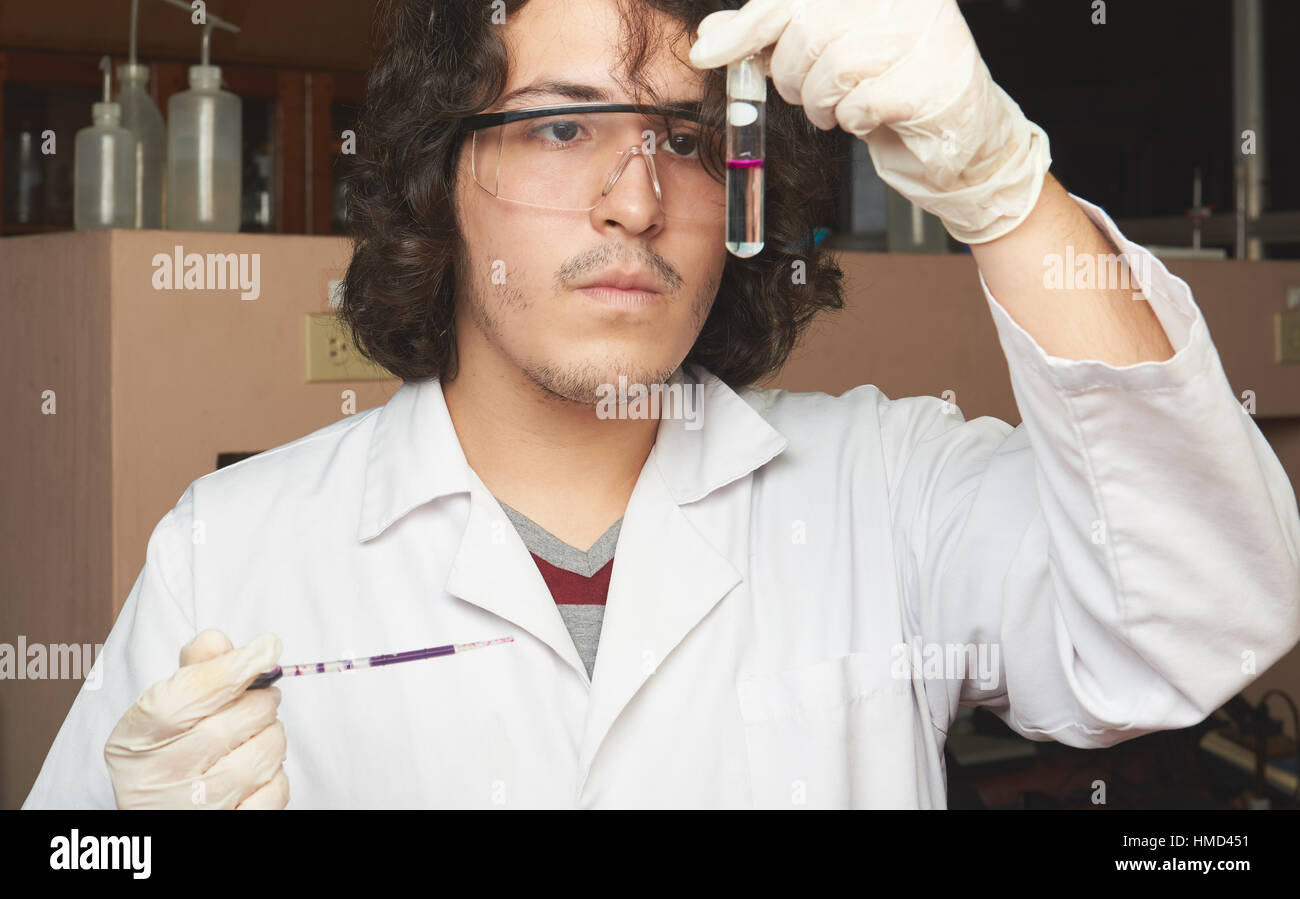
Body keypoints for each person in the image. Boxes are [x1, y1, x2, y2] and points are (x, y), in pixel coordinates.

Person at [24, 0, 1300, 809]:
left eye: (686, 139)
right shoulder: (230, 543)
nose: (637, 199)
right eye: (562, 129)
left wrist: (1003, 184)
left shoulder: (885, 490)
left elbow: (1198, 614)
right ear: (435, 180)